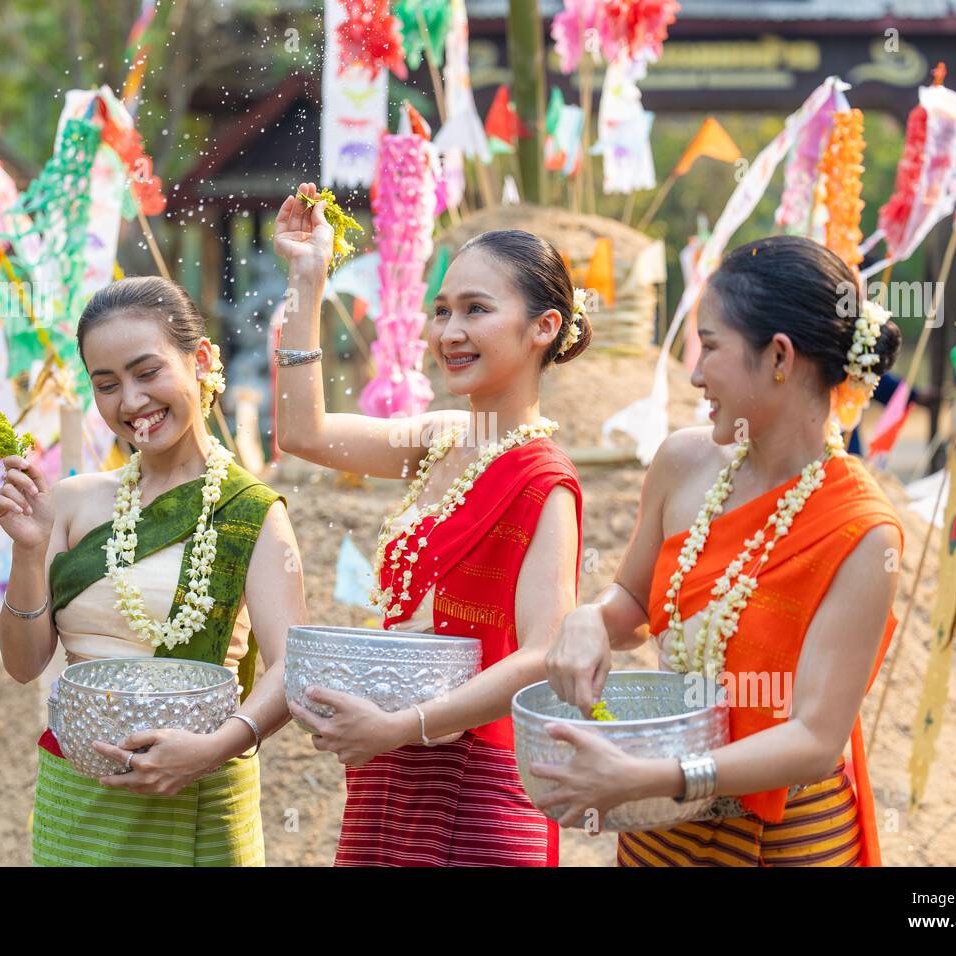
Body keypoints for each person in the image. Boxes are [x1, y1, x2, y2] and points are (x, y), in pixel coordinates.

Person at [538, 235, 905, 867]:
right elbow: (631, 601)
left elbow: (817, 739)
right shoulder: (682, 462)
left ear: (780, 358)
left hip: (787, 837)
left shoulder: (863, 532)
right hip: (662, 829)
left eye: (710, 346)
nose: (695, 372)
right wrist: (587, 619)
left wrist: (657, 777)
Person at [274, 182, 585, 866]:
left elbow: (543, 655)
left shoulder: (545, 481)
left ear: (544, 327)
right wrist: (306, 279)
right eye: (441, 310)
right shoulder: (439, 438)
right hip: (385, 771)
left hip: (476, 790)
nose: (448, 333)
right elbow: (302, 431)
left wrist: (401, 726)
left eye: (476, 309)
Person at [0, 275, 307, 866]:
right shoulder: (71, 502)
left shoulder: (250, 513)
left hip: (197, 799)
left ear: (201, 360)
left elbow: (291, 665)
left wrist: (215, 747)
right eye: (106, 384)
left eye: (147, 372)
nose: (131, 402)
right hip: (77, 801)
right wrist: (27, 554)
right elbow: (22, 663)